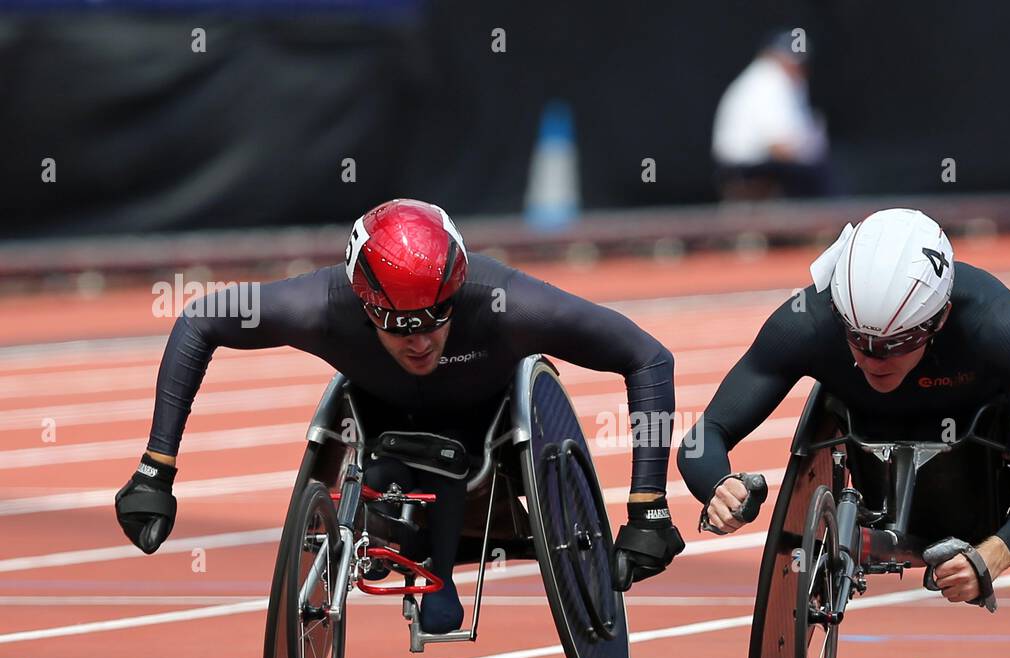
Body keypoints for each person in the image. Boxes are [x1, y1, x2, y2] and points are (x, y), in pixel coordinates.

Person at [115, 198, 685, 634]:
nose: (420, 341)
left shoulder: (504, 302)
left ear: (457, 289)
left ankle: (435, 566)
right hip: (380, 423)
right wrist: (154, 469)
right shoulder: (320, 307)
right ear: (366, 307)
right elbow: (199, 321)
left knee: (448, 453)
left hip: (482, 429)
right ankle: (385, 532)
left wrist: (648, 505)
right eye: (397, 324)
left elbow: (648, 358)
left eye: (437, 318)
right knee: (386, 473)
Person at [677, 208, 1010, 605]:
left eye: (895, 344)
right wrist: (717, 485)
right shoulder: (807, 322)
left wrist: (996, 555)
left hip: (978, 460)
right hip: (865, 440)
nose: (873, 360)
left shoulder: (998, 324)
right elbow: (705, 434)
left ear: (940, 318)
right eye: (858, 339)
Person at [711, 29, 831, 200]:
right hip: (749, 171)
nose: (798, 68)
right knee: (817, 176)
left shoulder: (778, 80)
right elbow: (779, 146)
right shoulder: (769, 78)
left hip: (751, 169)